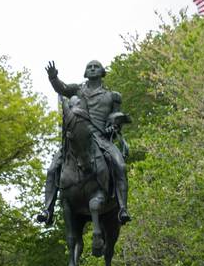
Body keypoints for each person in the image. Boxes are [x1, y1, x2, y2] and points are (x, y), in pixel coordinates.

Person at [36, 60, 132, 225]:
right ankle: (47, 208)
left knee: (120, 166)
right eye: (90, 67)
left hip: (101, 138)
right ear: (85, 73)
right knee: (52, 169)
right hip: (77, 137)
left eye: (96, 67)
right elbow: (62, 88)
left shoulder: (113, 96)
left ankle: (122, 208)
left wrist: (113, 126)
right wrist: (53, 78)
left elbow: (115, 116)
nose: (93, 68)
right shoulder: (77, 90)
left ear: (103, 72)